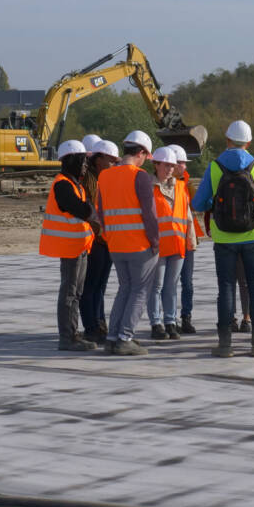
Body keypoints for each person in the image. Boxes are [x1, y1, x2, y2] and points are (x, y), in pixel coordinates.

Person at [191, 120, 254, 358]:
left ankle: (225, 344)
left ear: (227, 140)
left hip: (224, 238)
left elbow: (197, 203)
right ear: (248, 142)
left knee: (226, 287)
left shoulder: (215, 167)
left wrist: (215, 202)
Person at [96, 131, 160, 356]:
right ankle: (125, 338)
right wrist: (155, 242)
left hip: (115, 245)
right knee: (140, 291)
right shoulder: (140, 176)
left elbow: (100, 212)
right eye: (146, 156)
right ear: (141, 152)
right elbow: (149, 215)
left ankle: (112, 338)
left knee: (125, 289)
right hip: (139, 245)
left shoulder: (105, 176)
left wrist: (109, 237)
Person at [39, 139, 97, 351]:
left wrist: (88, 208)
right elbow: (82, 210)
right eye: (83, 160)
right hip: (70, 248)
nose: (85, 166)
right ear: (72, 160)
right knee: (69, 292)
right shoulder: (63, 184)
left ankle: (73, 334)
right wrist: (88, 209)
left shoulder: (74, 184)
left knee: (76, 293)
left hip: (80, 247)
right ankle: (67, 337)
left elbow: (86, 208)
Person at [148, 146, 196, 340]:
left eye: (172, 165)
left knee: (171, 285)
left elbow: (187, 215)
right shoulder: (148, 187)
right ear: (156, 165)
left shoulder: (179, 187)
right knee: (156, 286)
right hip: (157, 247)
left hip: (177, 244)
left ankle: (170, 321)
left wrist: (190, 239)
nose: (169, 169)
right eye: (166, 165)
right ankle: (156, 323)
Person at [80, 139, 119, 343]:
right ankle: (91, 326)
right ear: (98, 160)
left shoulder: (107, 179)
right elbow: (90, 211)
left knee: (101, 286)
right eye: (111, 160)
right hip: (95, 239)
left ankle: (99, 322)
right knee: (91, 286)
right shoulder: (89, 180)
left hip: (106, 239)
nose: (113, 163)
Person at [169, 144, 203, 335]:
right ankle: (170, 318)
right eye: (181, 163)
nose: (185, 166)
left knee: (187, 282)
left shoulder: (187, 183)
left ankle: (186, 317)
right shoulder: (159, 185)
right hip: (170, 239)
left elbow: (197, 205)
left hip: (187, 239)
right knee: (169, 282)